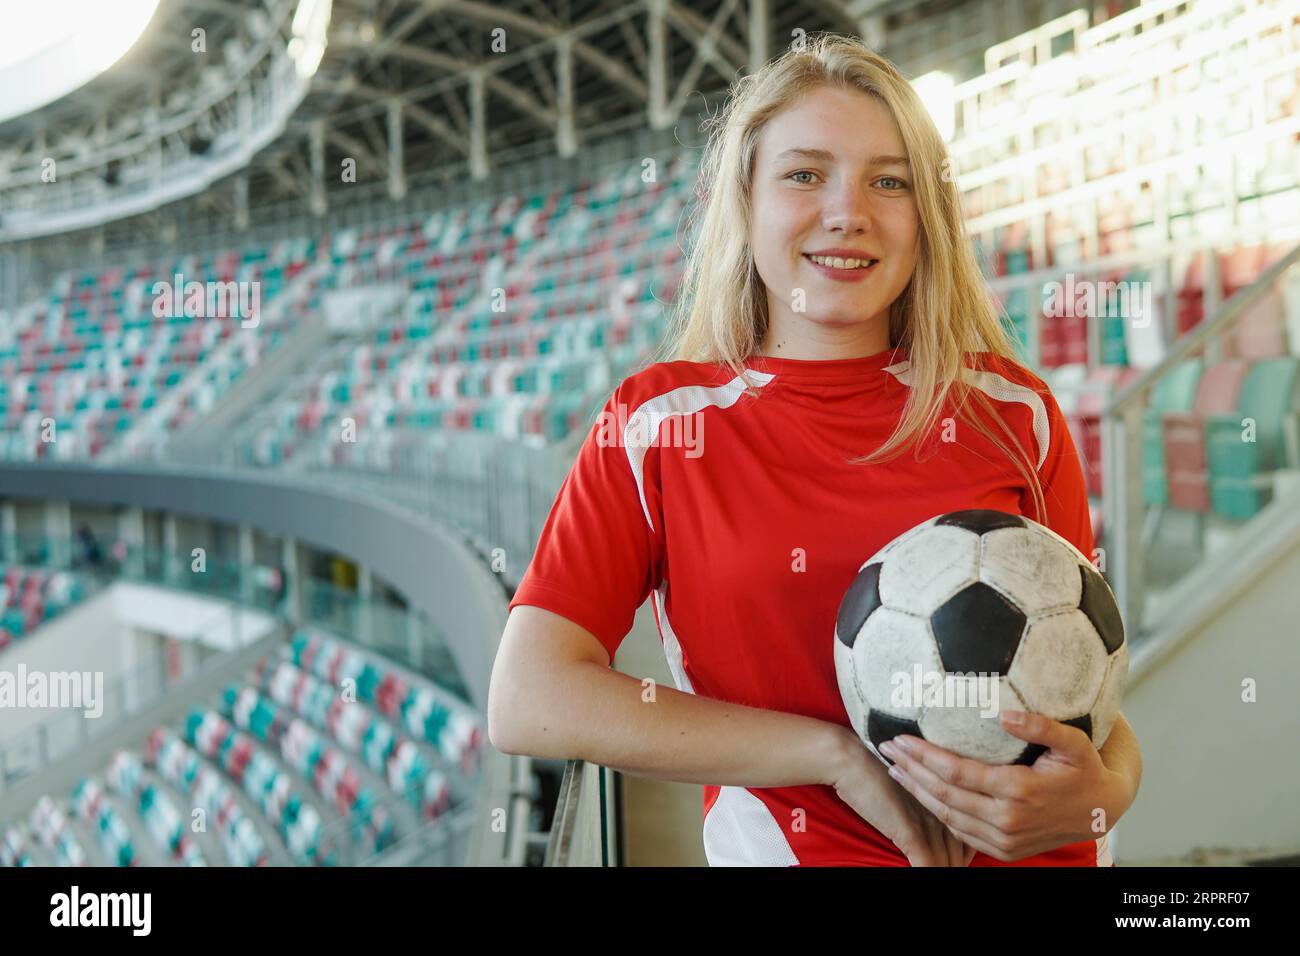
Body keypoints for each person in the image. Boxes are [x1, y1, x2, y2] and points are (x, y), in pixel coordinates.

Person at [488, 34, 1142, 867]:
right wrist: (831, 758)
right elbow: (529, 698)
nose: (849, 211)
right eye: (804, 174)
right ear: (747, 202)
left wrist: (1106, 795)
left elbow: (1088, 679)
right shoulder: (661, 425)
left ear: (926, 213)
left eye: (889, 180)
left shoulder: (1015, 411)